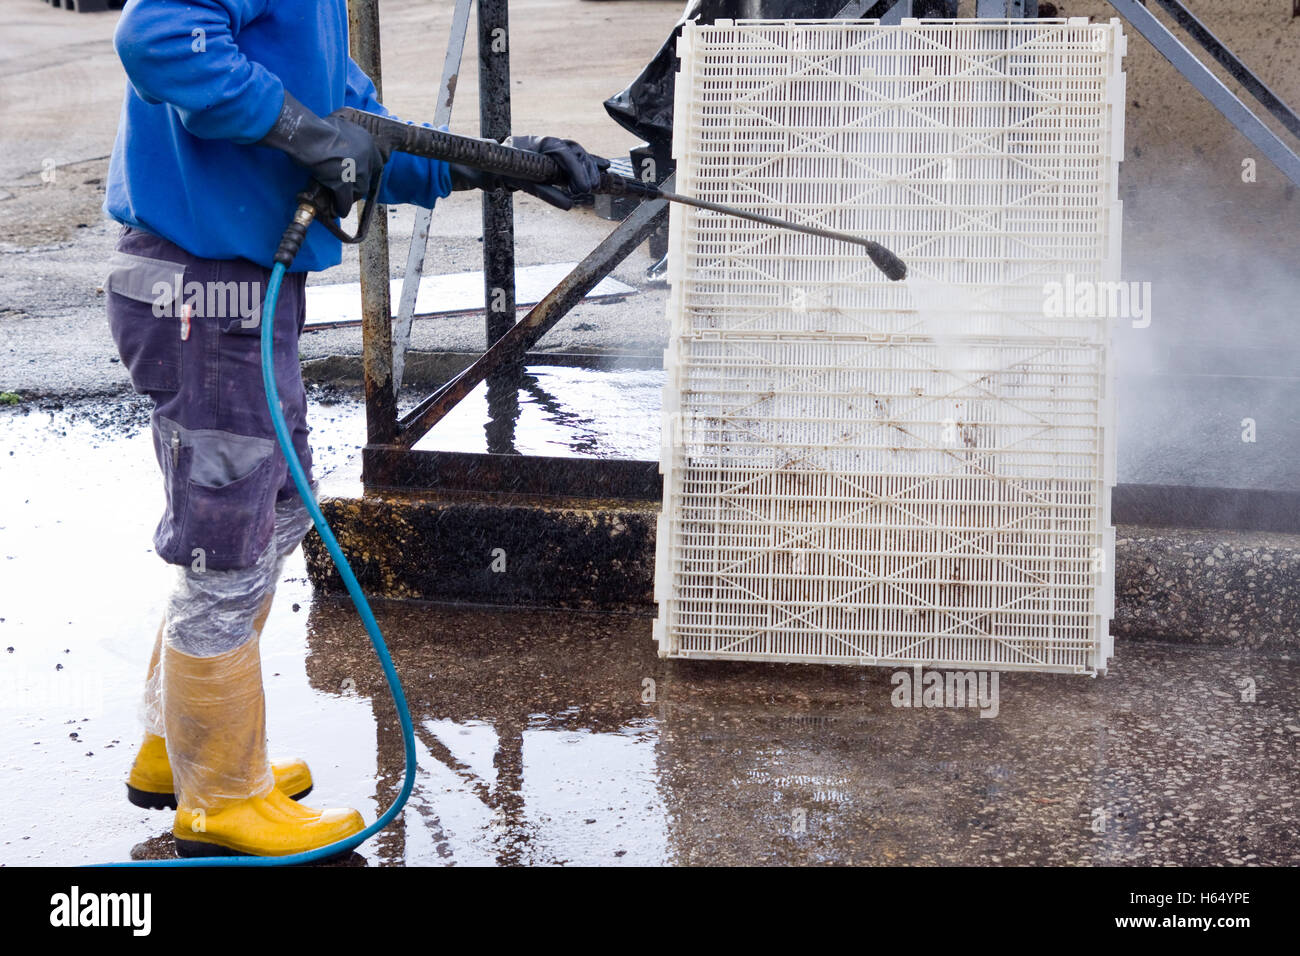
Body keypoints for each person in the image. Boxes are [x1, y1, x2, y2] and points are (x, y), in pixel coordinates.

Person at [104, 0, 602, 858]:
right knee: (223, 548)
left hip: (243, 292)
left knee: (279, 516)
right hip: (201, 287)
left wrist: (505, 165)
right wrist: (299, 131)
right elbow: (155, 41)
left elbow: (363, 138)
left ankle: (173, 747)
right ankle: (220, 798)